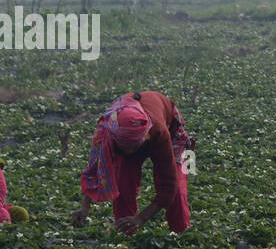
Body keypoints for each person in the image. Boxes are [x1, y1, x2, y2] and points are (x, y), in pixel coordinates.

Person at [73, 90, 194, 234]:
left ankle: (181, 232)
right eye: (125, 147)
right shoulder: (107, 132)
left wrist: (141, 218)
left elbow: (169, 184)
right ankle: (126, 234)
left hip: (167, 126)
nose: (129, 151)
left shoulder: (159, 132)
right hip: (132, 138)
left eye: (133, 147)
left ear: (145, 138)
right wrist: (85, 207)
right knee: (123, 183)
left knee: (177, 190)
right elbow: (95, 169)